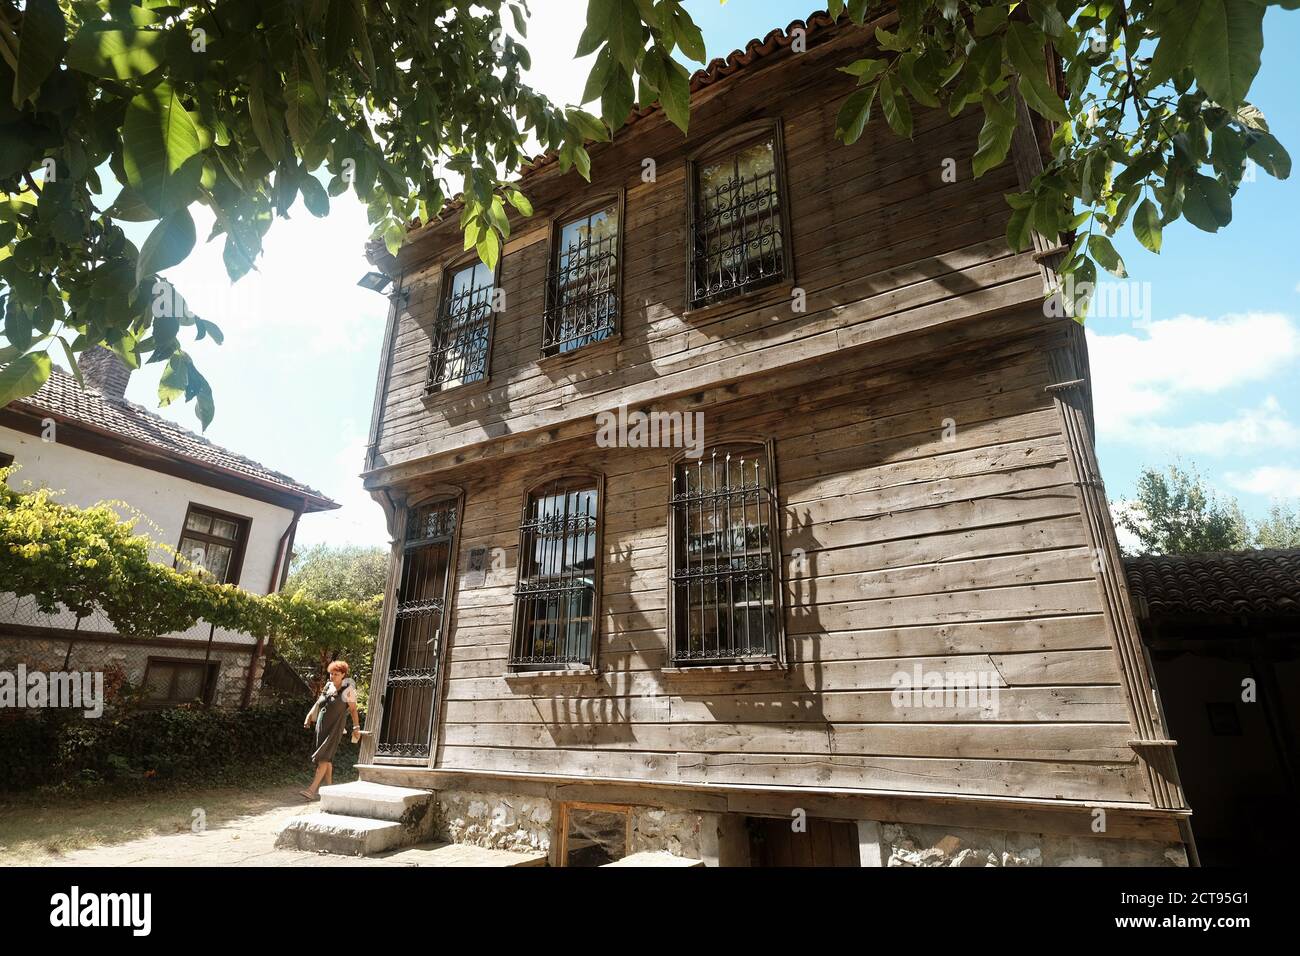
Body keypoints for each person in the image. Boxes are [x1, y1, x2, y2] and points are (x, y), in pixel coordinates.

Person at [301, 660, 361, 800]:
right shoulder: (328, 686)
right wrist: (309, 716)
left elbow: (353, 710)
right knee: (326, 759)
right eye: (331, 673)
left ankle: (312, 790)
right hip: (321, 726)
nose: (332, 676)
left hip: (335, 728)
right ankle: (329, 791)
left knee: (323, 757)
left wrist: (356, 727)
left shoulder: (348, 690)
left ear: (343, 675)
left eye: (336, 674)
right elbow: (318, 703)